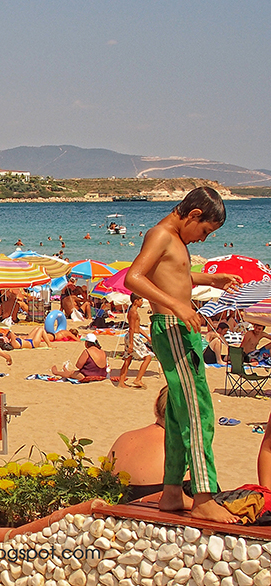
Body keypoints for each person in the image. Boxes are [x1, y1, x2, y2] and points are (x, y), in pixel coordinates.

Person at [125, 186, 242, 522]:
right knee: (199, 411)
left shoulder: (173, 239)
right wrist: (177, 304)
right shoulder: (161, 233)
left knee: (177, 415)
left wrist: (209, 278)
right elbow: (134, 277)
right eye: (204, 231)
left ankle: (173, 491)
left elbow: (172, 275)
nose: (203, 239)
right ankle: (204, 496)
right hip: (172, 327)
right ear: (193, 215)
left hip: (176, 327)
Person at [109, 387, 193, 506]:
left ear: (156, 407)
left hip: (113, 518)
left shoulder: (124, 438)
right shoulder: (180, 450)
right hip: (152, 518)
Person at [116, 294, 155, 389]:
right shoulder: (133, 312)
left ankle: (121, 381)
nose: (142, 302)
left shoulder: (133, 311)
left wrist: (147, 337)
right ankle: (138, 379)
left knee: (128, 359)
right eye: (141, 300)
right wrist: (131, 343)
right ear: (136, 301)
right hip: (133, 336)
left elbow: (137, 327)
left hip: (133, 335)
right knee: (148, 357)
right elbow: (132, 328)